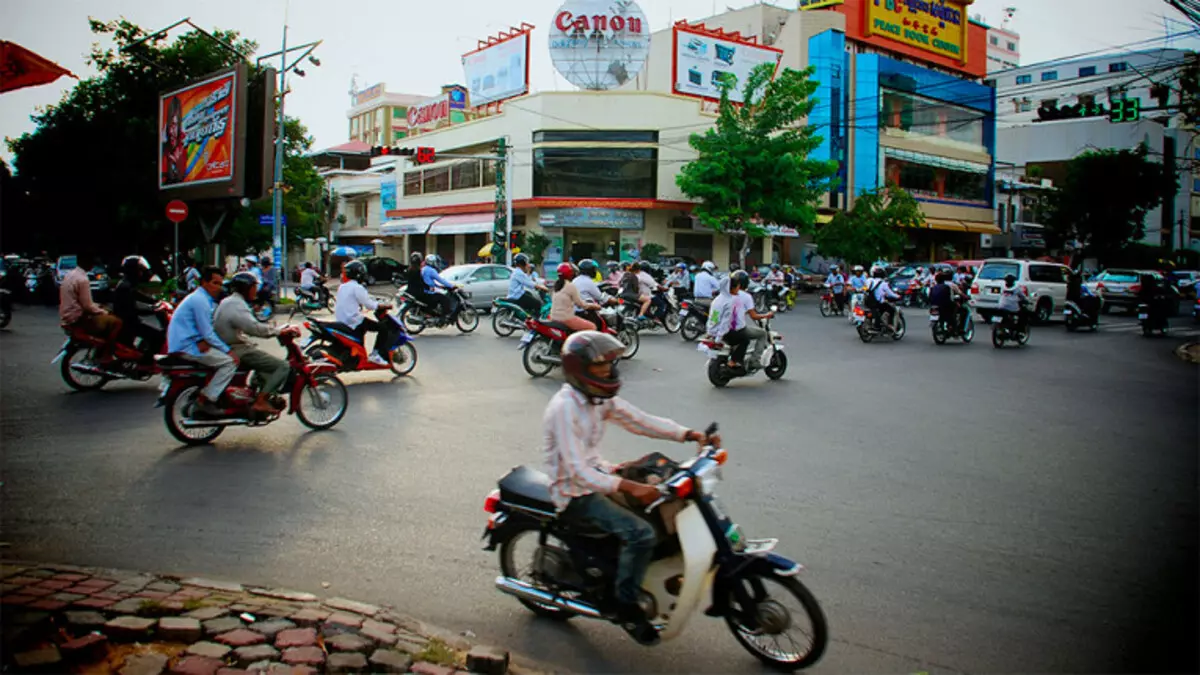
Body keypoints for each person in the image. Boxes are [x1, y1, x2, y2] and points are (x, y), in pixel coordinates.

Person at [545, 330, 717, 644]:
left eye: (611, 364)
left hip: (600, 474)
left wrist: (688, 434)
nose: (609, 371)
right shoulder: (564, 408)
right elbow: (576, 471)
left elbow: (640, 420)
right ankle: (624, 606)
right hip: (574, 493)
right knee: (641, 533)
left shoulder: (598, 399)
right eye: (601, 366)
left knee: (665, 505)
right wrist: (628, 486)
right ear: (579, 369)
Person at [214, 272, 290, 414]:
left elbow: (245, 323)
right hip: (237, 349)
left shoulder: (230, 301)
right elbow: (254, 328)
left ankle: (253, 390)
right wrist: (278, 332)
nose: (256, 290)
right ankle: (260, 401)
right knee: (283, 366)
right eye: (253, 287)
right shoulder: (236, 304)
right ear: (246, 288)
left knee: (262, 358)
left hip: (228, 346)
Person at [166, 266, 237, 417]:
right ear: (204, 282)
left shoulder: (202, 298)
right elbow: (208, 333)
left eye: (220, 284)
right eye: (214, 283)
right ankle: (207, 399)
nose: (217, 287)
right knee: (230, 362)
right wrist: (228, 351)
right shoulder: (200, 300)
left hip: (188, 342)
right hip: (188, 346)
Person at [59, 253, 123, 361]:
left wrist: (100, 308)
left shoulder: (70, 275)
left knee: (106, 311)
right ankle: (107, 355)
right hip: (78, 318)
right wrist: (102, 312)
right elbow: (87, 305)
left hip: (67, 314)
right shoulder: (82, 279)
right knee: (117, 322)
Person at [335, 260, 391, 366]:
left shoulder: (342, 287)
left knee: (363, 328)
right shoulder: (357, 287)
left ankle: (359, 356)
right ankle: (375, 354)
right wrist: (381, 305)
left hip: (342, 320)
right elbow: (369, 304)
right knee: (383, 328)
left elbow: (363, 298)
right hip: (353, 320)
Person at [113, 256, 164, 360]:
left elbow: (138, 295)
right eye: (139, 270)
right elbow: (132, 309)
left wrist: (154, 301)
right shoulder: (125, 287)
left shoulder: (126, 284)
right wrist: (151, 309)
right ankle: (147, 363)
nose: (141, 273)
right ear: (133, 271)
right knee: (158, 337)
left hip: (128, 320)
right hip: (128, 323)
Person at [725, 270, 774, 370]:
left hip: (722, 328)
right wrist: (767, 315)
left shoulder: (725, 295)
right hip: (736, 330)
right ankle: (754, 360)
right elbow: (754, 316)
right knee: (762, 334)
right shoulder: (746, 297)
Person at [550, 263, 602, 333]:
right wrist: (595, 306)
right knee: (592, 326)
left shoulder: (557, 285)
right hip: (566, 317)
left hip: (554, 315)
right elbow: (581, 304)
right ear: (570, 274)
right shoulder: (570, 286)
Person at [574, 259, 614, 330]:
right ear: (589, 270)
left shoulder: (576, 280)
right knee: (598, 324)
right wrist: (614, 300)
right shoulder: (588, 281)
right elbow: (600, 297)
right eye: (594, 269)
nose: (595, 271)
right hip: (583, 311)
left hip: (575, 310)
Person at [867, 266, 901, 332]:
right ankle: (890, 325)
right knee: (892, 310)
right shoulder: (883, 284)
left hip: (868, 302)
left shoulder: (869, 281)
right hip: (878, 303)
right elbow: (890, 293)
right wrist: (898, 296)